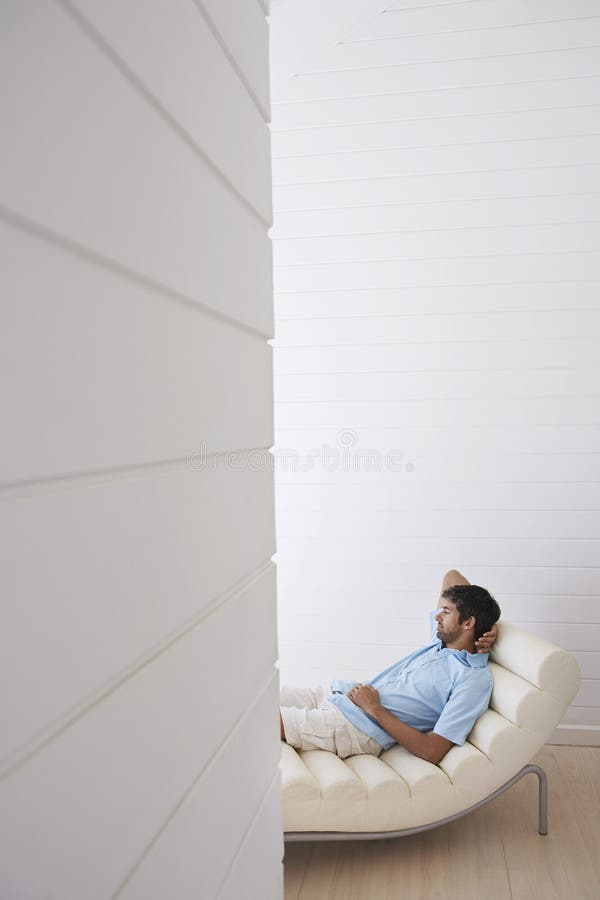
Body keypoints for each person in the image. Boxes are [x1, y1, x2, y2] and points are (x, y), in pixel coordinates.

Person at [279, 569, 501, 765]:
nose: (437, 616)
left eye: (446, 611)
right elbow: (451, 575)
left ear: (468, 623)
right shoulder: (441, 643)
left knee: (264, 721)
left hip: (354, 728)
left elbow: (432, 750)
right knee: (257, 699)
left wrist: (375, 709)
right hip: (340, 696)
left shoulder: (472, 679)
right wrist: (488, 624)